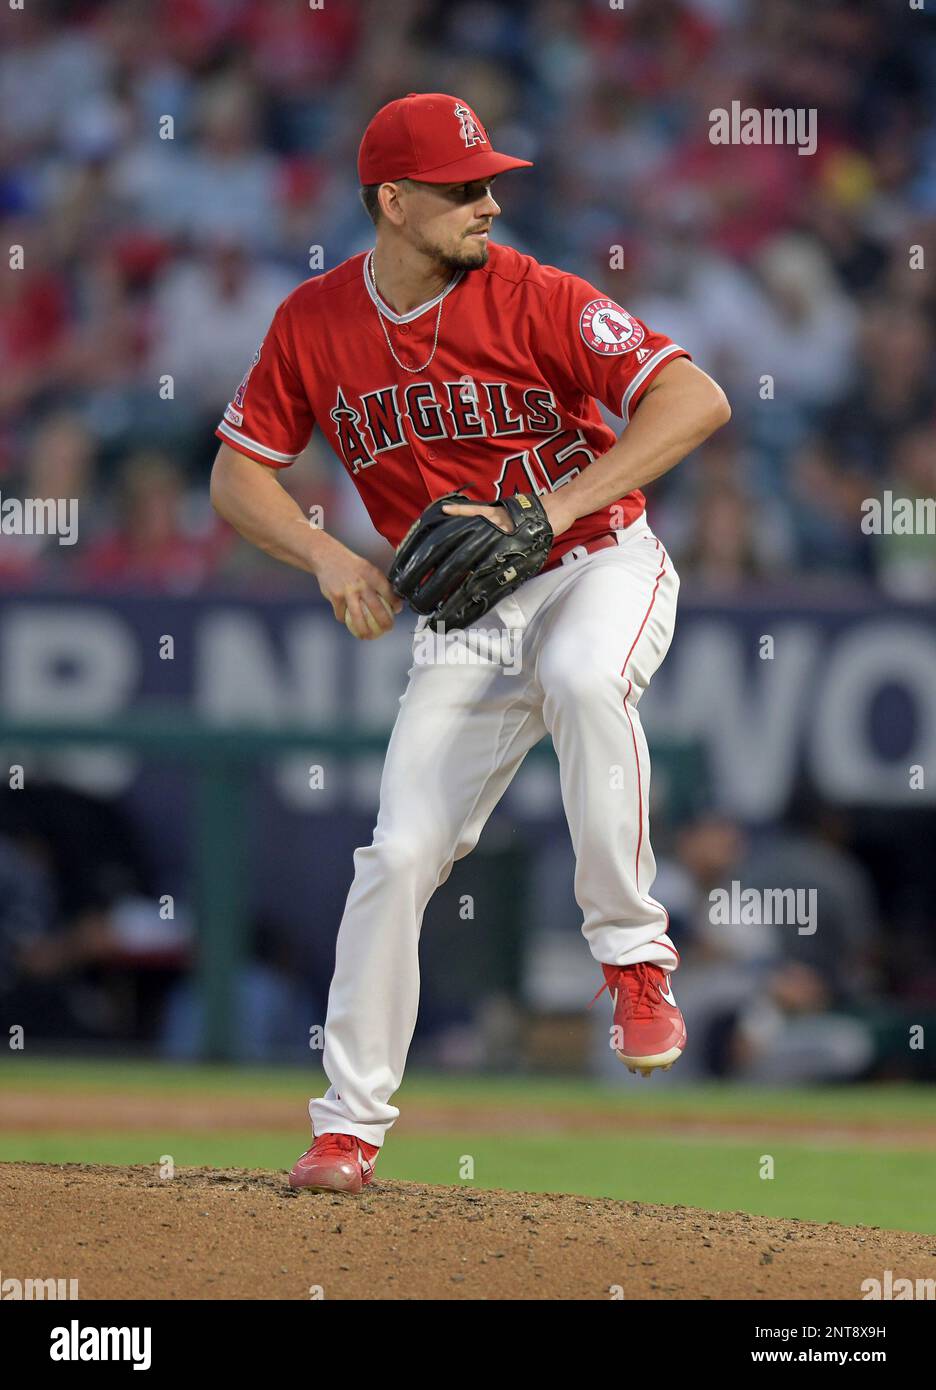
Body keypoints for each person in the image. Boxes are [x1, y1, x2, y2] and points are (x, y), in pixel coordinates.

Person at [209, 92, 731, 1194]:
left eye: (492, 180)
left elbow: (695, 399)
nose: (490, 202)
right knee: (397, 855)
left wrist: (552, 510)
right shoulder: (312, 322)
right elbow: (236, 472)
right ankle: (347, 1130)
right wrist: (329, 556)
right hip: (468, 620)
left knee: (589, 680)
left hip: (600, 562)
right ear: (393, 202)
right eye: (464, 187)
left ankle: (635, 961)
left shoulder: (536, 293)